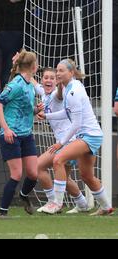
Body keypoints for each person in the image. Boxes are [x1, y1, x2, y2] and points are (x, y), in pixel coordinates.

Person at [39, 59, 114, 216]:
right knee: (86, 176)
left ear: (71, 72)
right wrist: (47, 115)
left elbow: (76, 123)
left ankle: (56, 204)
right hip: (88, 135)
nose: (58, 73)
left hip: (89, 135)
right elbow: (67, 113)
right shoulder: (69, 88)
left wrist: (60, 143)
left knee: (58, 160)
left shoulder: (73, 91)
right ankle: (106, 207)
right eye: (57, 70)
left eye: (61, 71)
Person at [31, 67, 90, 214]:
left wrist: (64, 79)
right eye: (46, 78)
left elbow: (61, 92)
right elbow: (33, 82)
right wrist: (21, 64)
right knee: (65, 178)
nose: (49, 80)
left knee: (38, 166)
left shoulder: (59, 94)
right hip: (66, 140)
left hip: (68, 141)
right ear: (42, 80)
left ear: (58, 81)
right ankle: (82, 204)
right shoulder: (44, 94)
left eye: (53, 78)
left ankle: (54, 202)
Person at [0, 49, 39, 218]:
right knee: (17, 174)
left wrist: (35, 111)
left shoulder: (29, 85)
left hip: (26, 134)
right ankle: (2, 212)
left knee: (34, 173)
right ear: (34, 66)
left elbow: (20, 107)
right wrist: (6, 128)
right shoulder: (15, 85)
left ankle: (24, 195)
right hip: (11, 134)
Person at [0, 0, 25, 90]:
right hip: (7, 35)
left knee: (23, 64)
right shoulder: (1, 4)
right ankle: (6, 91)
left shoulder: (27, 5)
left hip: (25, 34)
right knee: (8, 66)